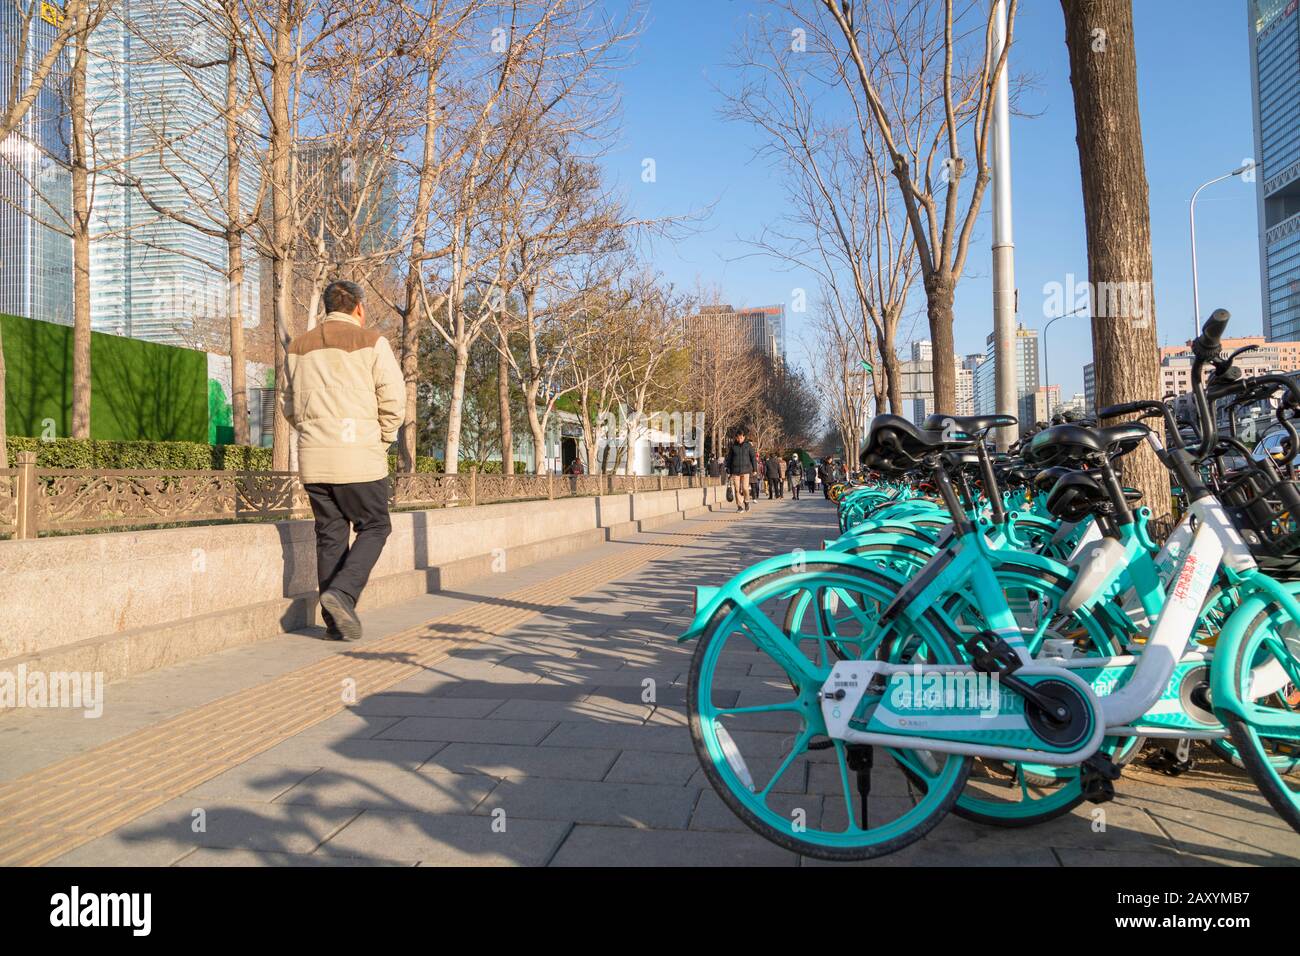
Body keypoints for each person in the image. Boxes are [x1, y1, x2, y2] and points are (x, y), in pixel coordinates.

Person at [283, 280, 404, 642]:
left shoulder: (298, 347)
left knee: (330, 536)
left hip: (314, 461)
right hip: (359, 457)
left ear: (324, 308)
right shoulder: (372, 342)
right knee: (375, 526)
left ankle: (335, 625)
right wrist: (379, 441)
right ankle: (343, 595)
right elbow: (394, 402)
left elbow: (288, 406)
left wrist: (314, 434)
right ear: (359, 308)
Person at [724, 427, 757, 512]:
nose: (739, 439)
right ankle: (739, 506)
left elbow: (753, 457)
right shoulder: (733, 447)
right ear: (736, 437)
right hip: (735, 471)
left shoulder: (748, 446)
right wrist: (728, 469)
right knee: (737, 489)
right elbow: (729, 459)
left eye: (741, 437)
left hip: (746, 471)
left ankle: (746, 501)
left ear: (744, 437)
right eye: (738, 437)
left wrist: (755, 469)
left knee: (745, 488)